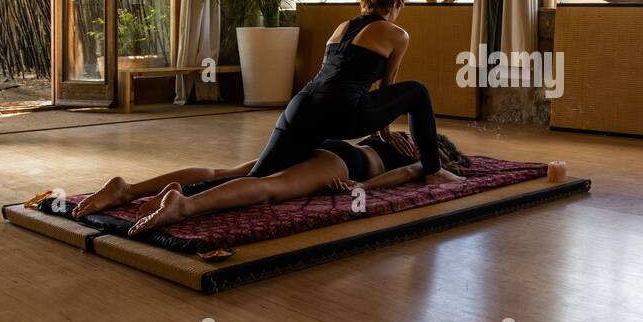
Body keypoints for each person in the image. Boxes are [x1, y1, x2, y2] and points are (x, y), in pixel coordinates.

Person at [247, 0, 460, 185]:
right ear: (397, 2)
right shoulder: (397, 35)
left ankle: (211, 182)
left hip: (300, 107)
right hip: (341, 116)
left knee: (257, 176)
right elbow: (386, 85)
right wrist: (384, 132)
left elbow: (330, 75)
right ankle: (434, 171)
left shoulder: (342, 27)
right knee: (418, 91)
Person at [70, 132, 470, 237]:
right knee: (270, 189)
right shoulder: (422, 155)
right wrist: (363, 188)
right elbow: (411, 174)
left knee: (224, 172)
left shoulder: (395, 136)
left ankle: (127, 188)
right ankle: (184, 207)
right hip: (345, 161)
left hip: (329, 144)